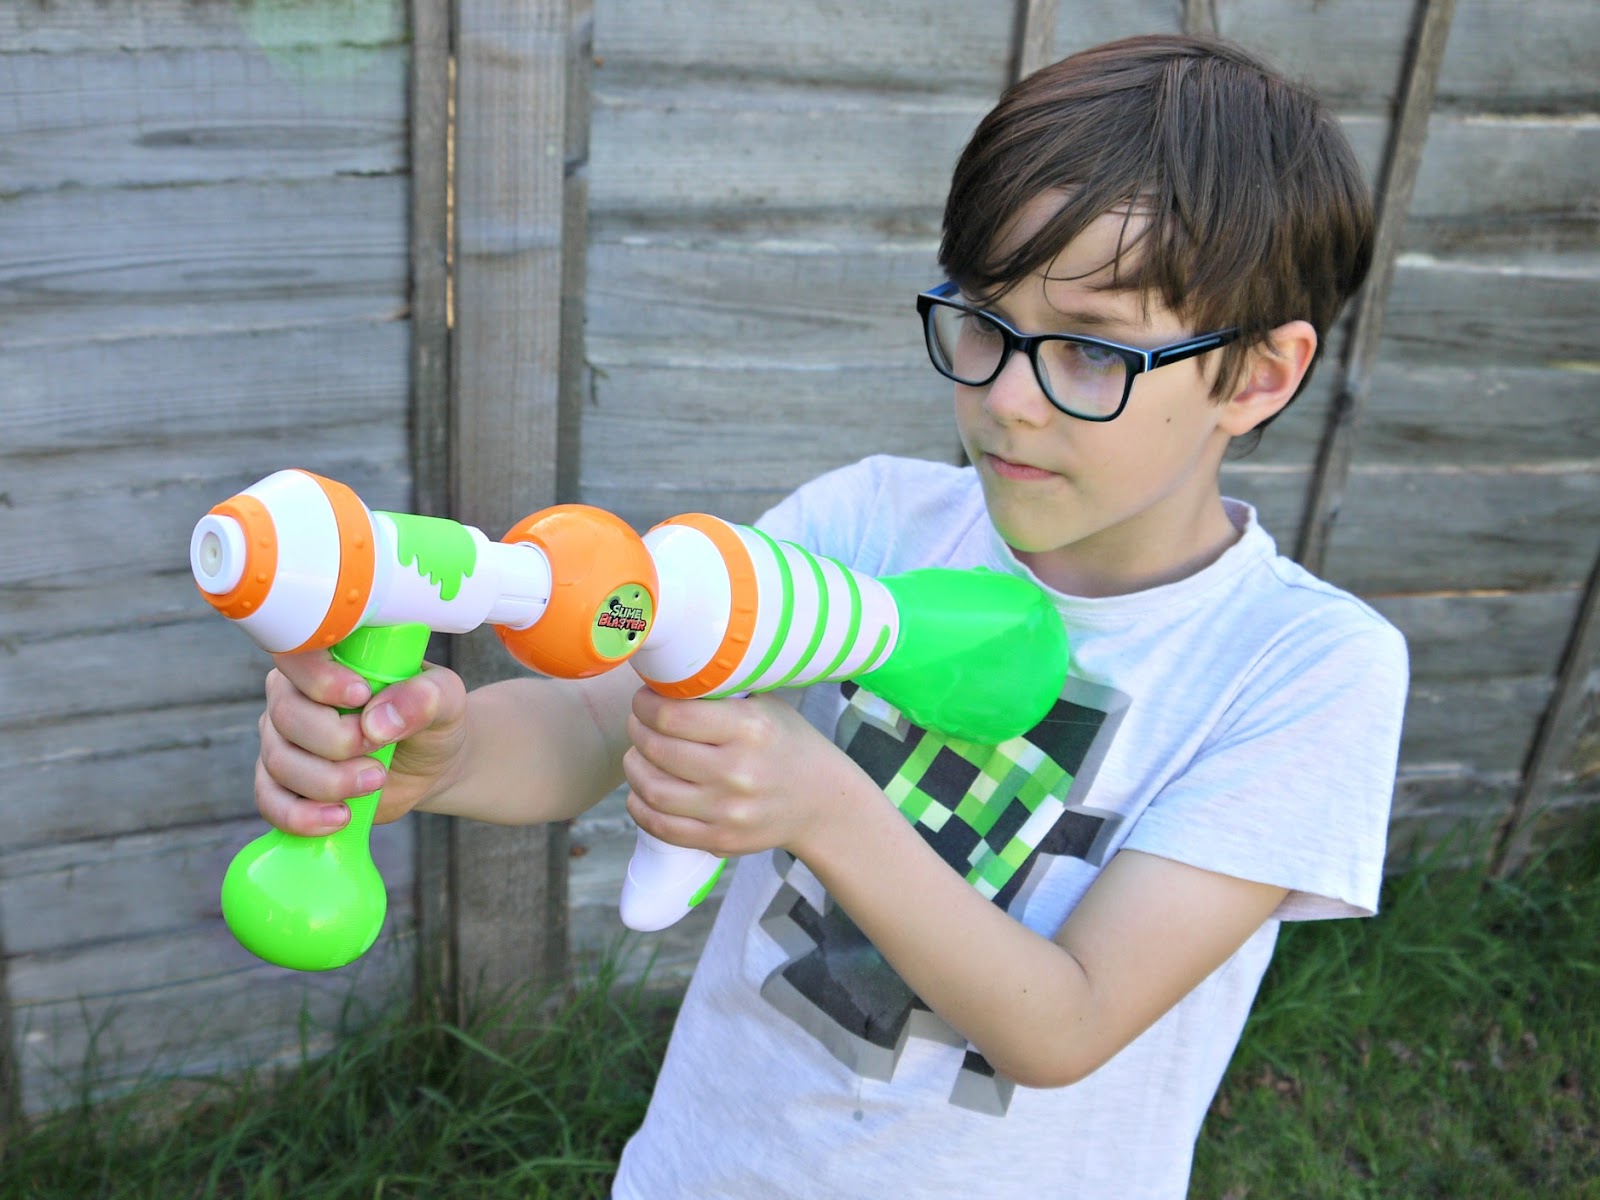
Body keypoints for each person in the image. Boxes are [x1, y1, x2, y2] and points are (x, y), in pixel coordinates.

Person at [254, 33, 1409, 1198]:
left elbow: (1066, 1024)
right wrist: (434, 756)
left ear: (1258, 376)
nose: (1006, 400)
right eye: (981, 321)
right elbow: (603, 724)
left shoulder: (1304, 669)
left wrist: (821, 806)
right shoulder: (870, 519)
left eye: (1093, 350)